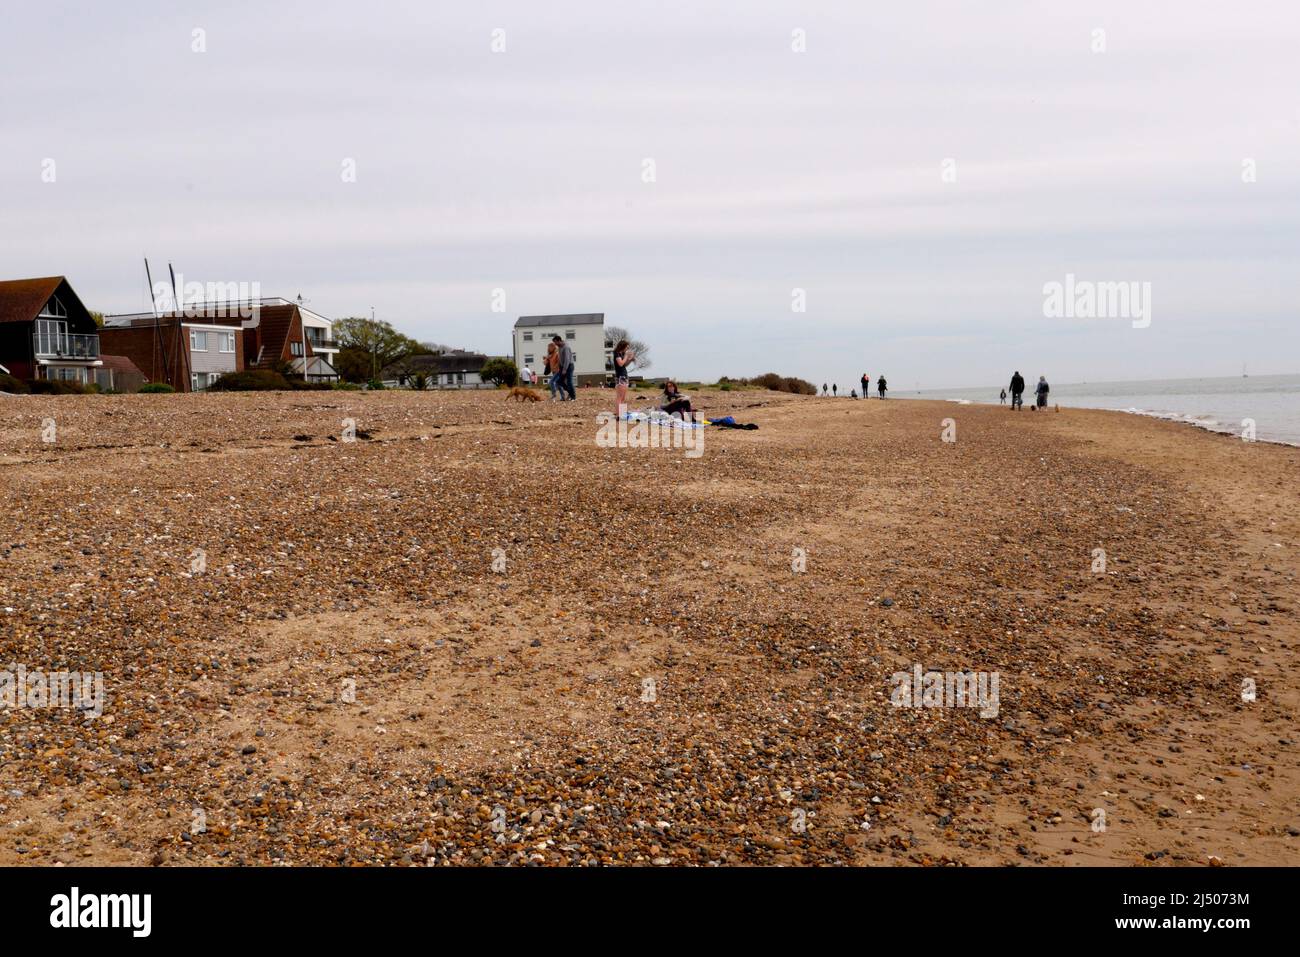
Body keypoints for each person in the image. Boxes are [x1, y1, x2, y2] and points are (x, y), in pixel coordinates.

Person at [612, 339, 634, 413]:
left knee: (623, 397)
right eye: (626, 347)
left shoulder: (621, 354)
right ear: (623, 346)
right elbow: (620, 363)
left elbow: (624, 365)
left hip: (624, 375)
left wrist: (630, 360)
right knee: (620, 397)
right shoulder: (617, 353)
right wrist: (626, 356)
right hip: (620, 376)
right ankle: (619, 414)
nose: (627, 349)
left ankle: (622, 413)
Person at [553, 335, 576, 401]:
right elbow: (561, 358)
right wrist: (560, 367)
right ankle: (571, 393)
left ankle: (573, 397)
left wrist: (565, 369)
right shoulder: (559, 347)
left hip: (569, 366)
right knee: (559, 381)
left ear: (559, 341)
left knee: (569, 382)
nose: (555, 344)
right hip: (562, 366)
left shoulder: (566, 347)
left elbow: (567, 359)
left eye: (555, 342)